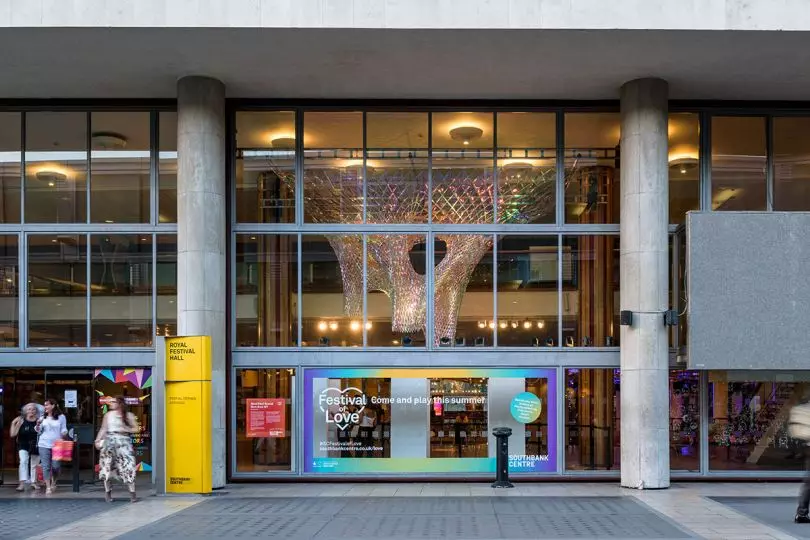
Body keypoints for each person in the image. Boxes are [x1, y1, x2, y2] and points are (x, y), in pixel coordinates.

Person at [95, 396, 139, 503]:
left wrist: (126, 428)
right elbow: (104, 428)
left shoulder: (128, 415)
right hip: (109, 441)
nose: (111, 403)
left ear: (120, 403)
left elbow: (136, 428)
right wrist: (97, 440)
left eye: (113, 402)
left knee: (128, 466)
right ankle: (108, 493)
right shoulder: (108, 415)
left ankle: (132, 494)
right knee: (107, 466)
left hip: (123, 442)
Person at [35, 398, 67, 494]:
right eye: (45, 405)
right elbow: (38, 430)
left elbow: (64, 429)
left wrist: (63, 434)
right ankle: (48, 486)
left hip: (57, 444)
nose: (45, 407)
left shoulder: (61, 417)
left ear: (53, 406)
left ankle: (54, 481)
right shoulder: (42, 417)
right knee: (46, 466)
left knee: (56, 466)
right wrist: (37, 425)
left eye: (47, 405)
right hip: (43, 444)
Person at [10, 403, 40, 491]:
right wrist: (14, 424)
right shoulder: (21, 420)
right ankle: (22, 484)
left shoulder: (39, 421)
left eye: (33, 409)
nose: (31, 411)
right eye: (29, 409)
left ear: (36, 411)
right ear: (25, 411)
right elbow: (13, 434)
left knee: (34, 464)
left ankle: (33, 482)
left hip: (36, 444)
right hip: (23, 444)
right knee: (23, 461)